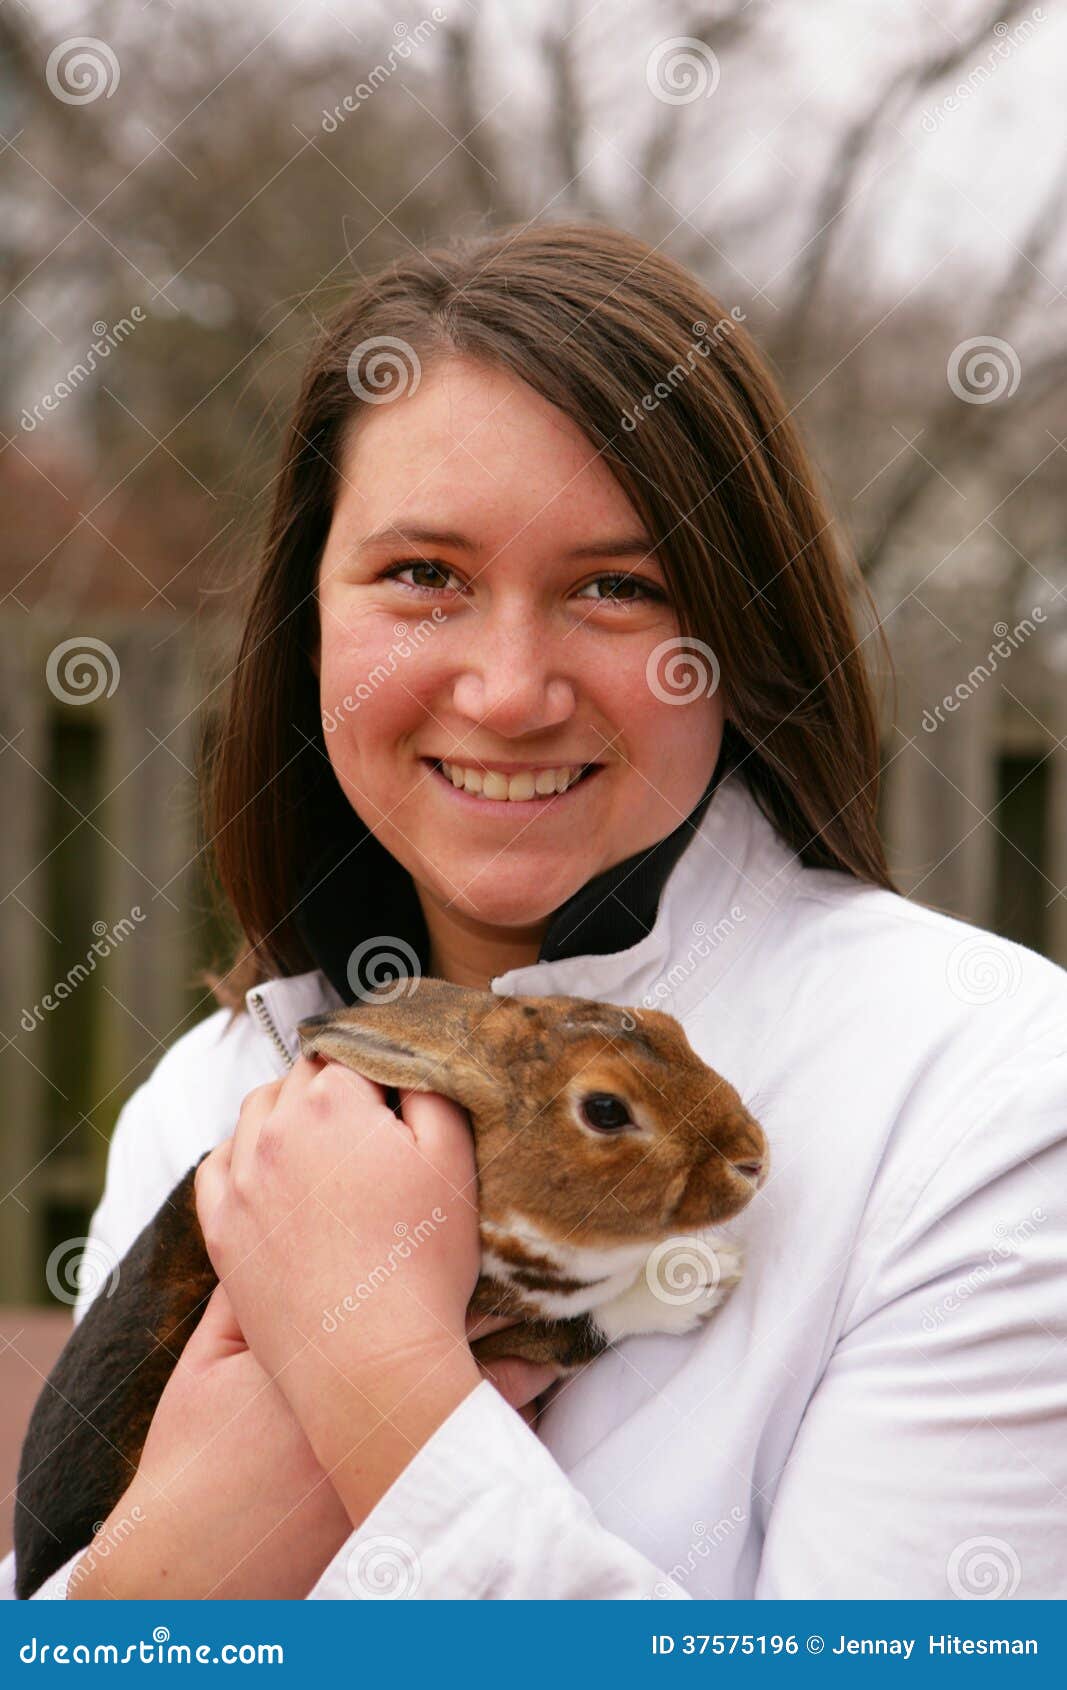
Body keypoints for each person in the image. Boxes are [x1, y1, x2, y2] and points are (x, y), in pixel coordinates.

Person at [7, 221, 1065, 1601]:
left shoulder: (989, 1095)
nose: (510, 688)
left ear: (736, 637)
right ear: (305, 616)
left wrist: (381, 1396)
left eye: (617, 587)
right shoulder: (213, 1107)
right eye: (422, 576)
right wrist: (151, 1585)